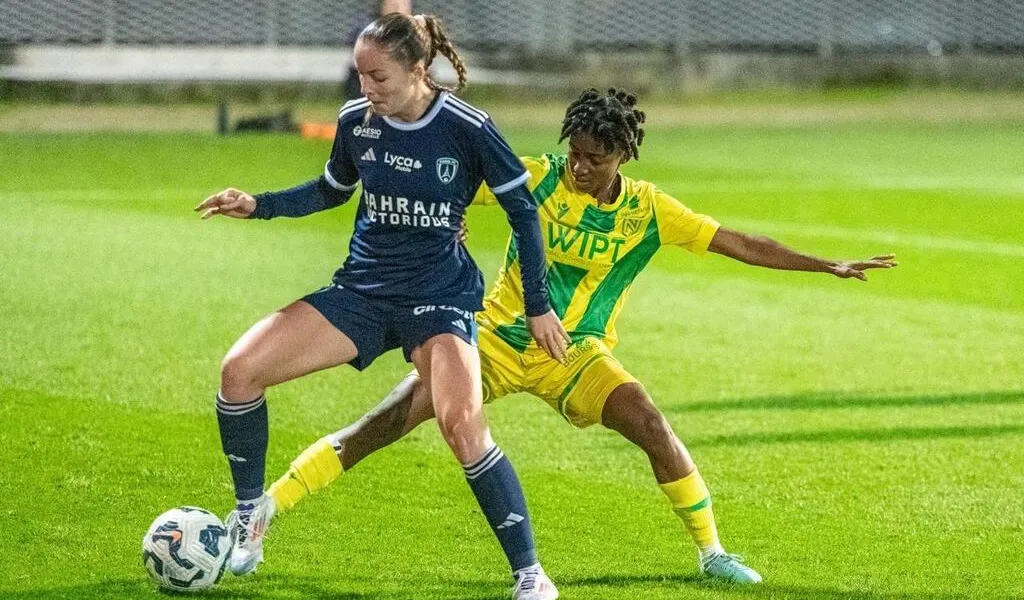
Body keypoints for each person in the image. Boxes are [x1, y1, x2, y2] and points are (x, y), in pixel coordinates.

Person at [261, 88, 898, 586]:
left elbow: (735, 242)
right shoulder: (536, 178)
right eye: (576, 151)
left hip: (576, 355)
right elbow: (439, 189)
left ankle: (713, 553)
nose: (582, 165)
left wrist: (826, 264)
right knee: (385, 421)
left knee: (650, 422)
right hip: (495, 338)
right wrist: (436, 226)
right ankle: (265, 511)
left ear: (624, 156)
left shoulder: (648, 211)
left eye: (598, 156)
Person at [194, 13, 569, 600]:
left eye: (380, 78)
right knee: (239, 371)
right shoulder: (356, 122)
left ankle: (529, 574)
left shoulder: (469, 128)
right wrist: (257, 204)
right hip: (363, 292)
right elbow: (330, 190)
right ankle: (249, 516)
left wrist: (538, 307)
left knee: (462, 423)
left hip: (439, 298)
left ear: (419, 70)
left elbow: (523, 212)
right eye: (360, 76)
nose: (367, 89)